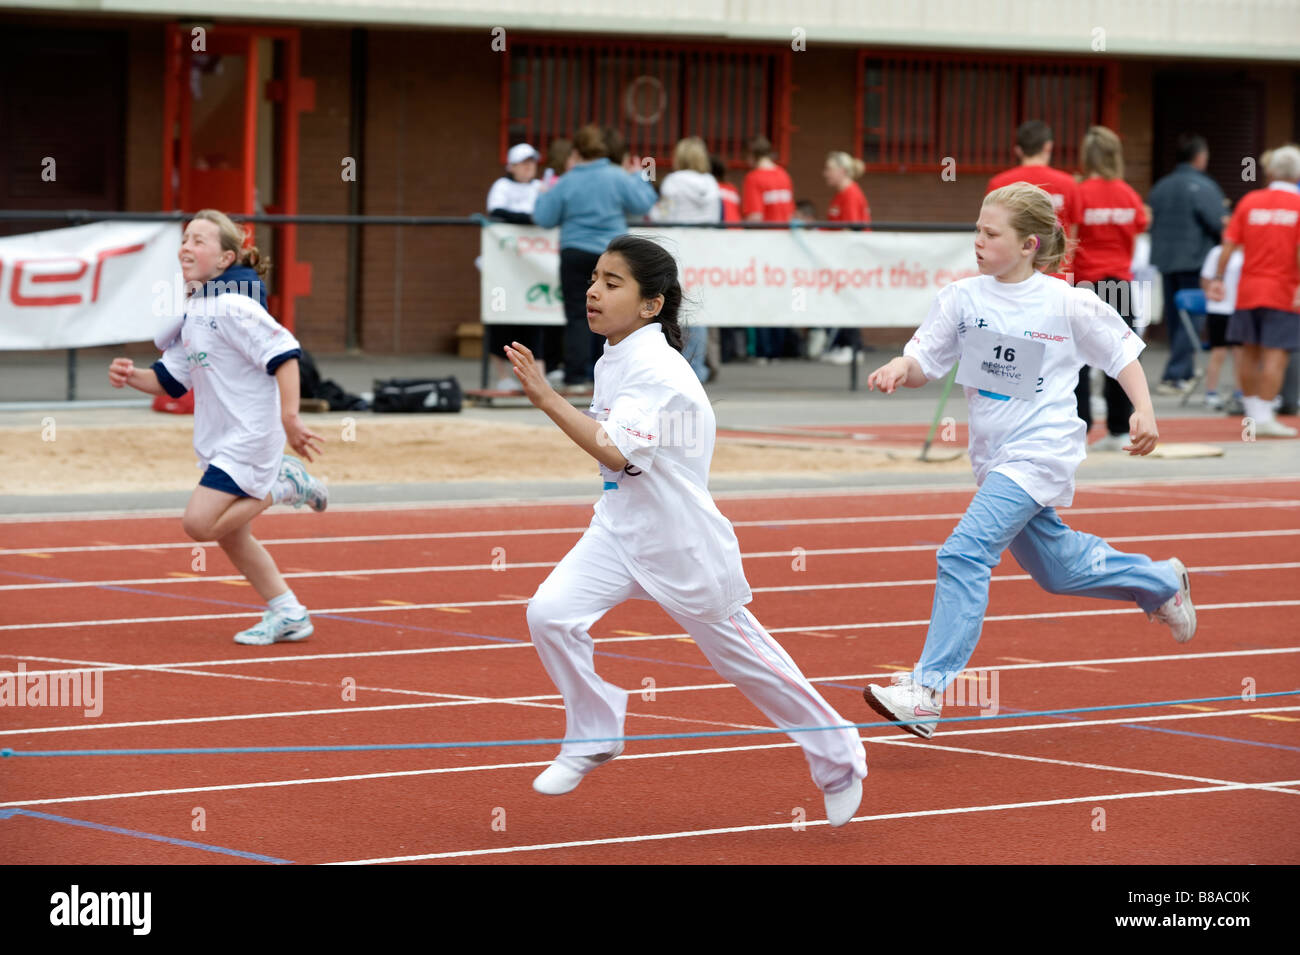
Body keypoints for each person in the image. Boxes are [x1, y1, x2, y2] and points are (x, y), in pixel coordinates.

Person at [504, 235, 867, 826]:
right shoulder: (617, 353)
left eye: (612, 283)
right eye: (594, 278)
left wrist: (547, 399)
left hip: (681, 543)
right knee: (549, 614)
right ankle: (595, 733)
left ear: (652, 304)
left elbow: (618, 452)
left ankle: (838, 756)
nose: (593, 291)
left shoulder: (655, 368)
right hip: (620, 530)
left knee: (747, 662)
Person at [860, 183, 1196, 739]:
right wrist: (900, 369)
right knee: (1059, 571)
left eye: (991, 234)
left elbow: (1123, 352)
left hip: (1043, 452)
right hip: (994, 458)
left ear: (1028, 244)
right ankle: (1159, 581)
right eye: (977, 230)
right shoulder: (961, 299)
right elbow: (925, 359)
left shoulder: (1067, 302)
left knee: (963, 553)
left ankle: (925, 691)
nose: (978, 241)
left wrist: (1145, 410)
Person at [108, 209, 329, 645]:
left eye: (200, 241)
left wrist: (290, 419)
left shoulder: (233, 305)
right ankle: (288, 612)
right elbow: (170, 381)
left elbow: (285, 353)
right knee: (230, 534)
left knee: (199, 524)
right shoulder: (197, 310)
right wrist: (130, 375)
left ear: (226, 259)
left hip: (251, 435)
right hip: (221, 438)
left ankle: (285, 485)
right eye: (185, 238)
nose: (187, 247)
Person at [533, 124, 657, 387]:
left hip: (574, 251)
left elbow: (543, 218)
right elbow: (645, 202)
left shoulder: (567, 180)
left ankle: (576, 375)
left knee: (579, 314)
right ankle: (608, 375)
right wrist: (638, 176)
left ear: (576, 150)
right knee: (614, 313)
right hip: (612, 253)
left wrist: (543, 194)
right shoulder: (617, 176)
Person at [1065, 126, 1149, 451]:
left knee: (1077, 361)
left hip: (1086, 283)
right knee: (1121, 356)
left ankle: (1080, 430)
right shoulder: (1128, 193)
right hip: (1120, 283)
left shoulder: (1080, 192)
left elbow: (1069, 236)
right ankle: (1118, 430)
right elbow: (1141, 224)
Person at [1207, 144, 1300, 437]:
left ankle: (1252, 414)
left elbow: (1228, 245)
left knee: (1248, 352)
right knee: (1276, 355)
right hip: (1283, 290)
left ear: (1271, 171)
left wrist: (1218, 278)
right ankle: (1265, 416)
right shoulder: (1298, 205)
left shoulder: (1250, 201)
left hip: (1247, 289)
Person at [1148, 134, 1227, 393]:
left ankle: (1185, 371)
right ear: (1200, 157)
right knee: (1192, 318)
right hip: (1195, 260)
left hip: (1165, 260)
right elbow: (1219, 223)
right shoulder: (1203, 186)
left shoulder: (1161, 186)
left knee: (1175, 317)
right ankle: (1175, 375)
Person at [650, 136, 720, 384]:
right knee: (698, 309)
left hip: (679, 247)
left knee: (675, 307)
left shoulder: (673, 182)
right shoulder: (711, 183)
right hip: (705, 249)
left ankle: (680, 366)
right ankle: (697, 367)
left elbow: (662, 215)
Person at [485, 143, 545, 392]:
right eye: (524, 162)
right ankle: (502, 375)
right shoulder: (501, 187)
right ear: (511, 166)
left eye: (532, 162)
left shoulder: (541, 187)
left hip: (534, 265)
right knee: (501, 317)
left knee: (537, 315)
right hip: (505, 263)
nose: (529, 167)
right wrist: (528, 220)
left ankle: (537, 374)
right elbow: (497, 212)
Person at [742, 136, 795, 362]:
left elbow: (755, 216)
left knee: (761, 297)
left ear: (752, 155)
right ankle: (779, 349)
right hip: (784, 244)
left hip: (763, 245)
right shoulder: (784, 175)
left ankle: (762, 351)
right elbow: (790, 214)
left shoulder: (753, 178)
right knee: (780, 296)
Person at [823, 151, 872, 364]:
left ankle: (852, 347)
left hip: (850, 258)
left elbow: (852, 229)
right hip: (840, 257)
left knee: (847, 299)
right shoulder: (841, 194)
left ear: (841, 171)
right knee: (840, 299)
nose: (825, 174)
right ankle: (843, 345)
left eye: (828, 169)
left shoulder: (850, 194)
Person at [986, 120, 1077, 222]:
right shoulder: (1068, 183)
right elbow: (1073, 231)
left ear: (1018, 150)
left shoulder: (998, 184)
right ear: (1048, 146)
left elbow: (991, 224)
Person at [1198, 241, 1244, 411]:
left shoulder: (1249, 251)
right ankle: (1211, 392)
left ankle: (1240, 392)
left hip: (1240, 308)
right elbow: (1205, 278)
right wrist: (1210, 293)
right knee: (1219, 351)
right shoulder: (1217, 252)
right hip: (1220, 308)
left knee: (1240, 353)